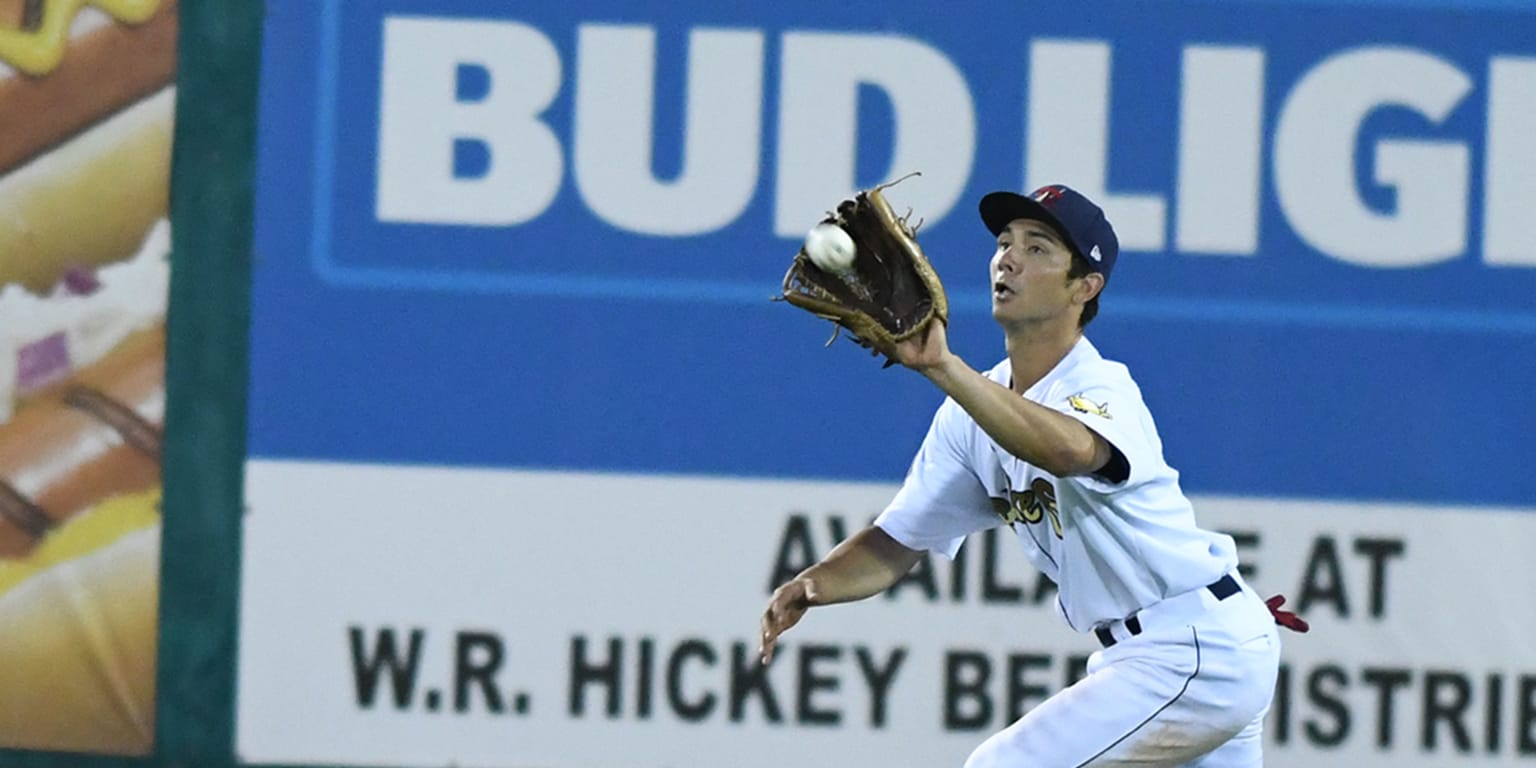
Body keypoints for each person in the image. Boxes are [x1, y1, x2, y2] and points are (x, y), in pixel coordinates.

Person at [759, 185, 1305, 767]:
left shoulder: (1099, 387)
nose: (1008, 259)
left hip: (1192, 650)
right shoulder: (970, 416)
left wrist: (944, 367)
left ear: (1084, 287)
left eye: (1038, 247)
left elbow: (1067, 451)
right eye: (1003, 243)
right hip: (1176, 656)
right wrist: (814, 585)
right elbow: (897, 542)